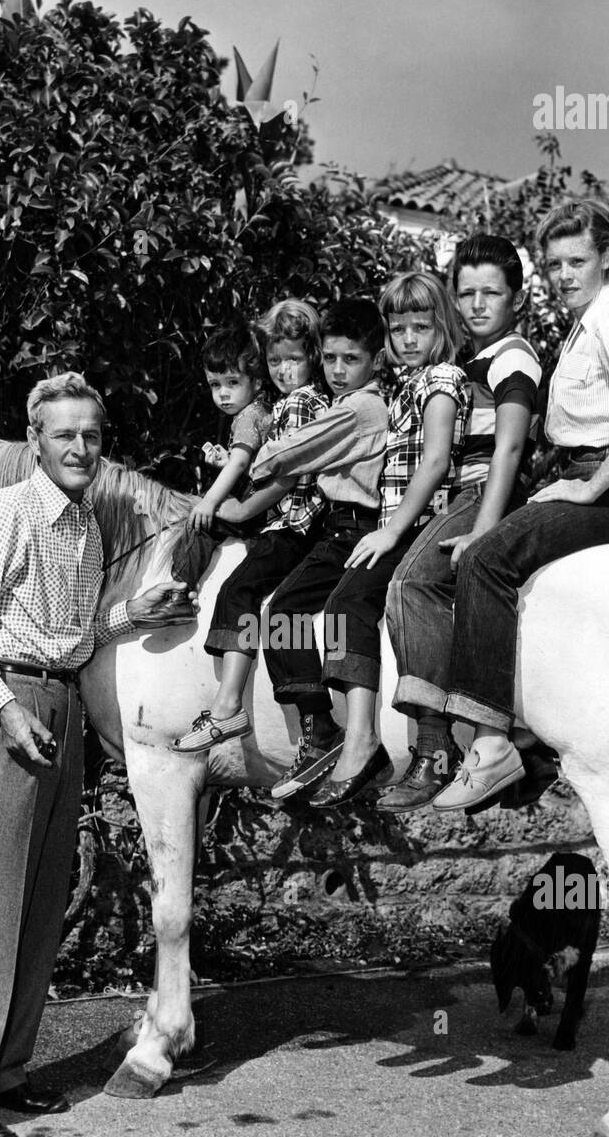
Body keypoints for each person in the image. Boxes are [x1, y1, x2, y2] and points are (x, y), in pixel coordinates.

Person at [0, 372, 195, 1137]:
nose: (79, 447)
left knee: (38, 906)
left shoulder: (82, 526)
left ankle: (4, 1073)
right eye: (64, 434)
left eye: (92, 436)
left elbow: (67, 632)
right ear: (34, 440)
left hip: (58, 705)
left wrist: (123, 616)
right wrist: (5, 711)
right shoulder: (8, 512)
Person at [432, 199, 609, 812]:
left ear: (607, 258)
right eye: (553, 264)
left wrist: (593, 487)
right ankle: (533, 739)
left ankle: (489, 746)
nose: (564, 274)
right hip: (586, 472)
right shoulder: (581, 324)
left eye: (578, 261)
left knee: (485, 559)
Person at [378, 236, 542, 810]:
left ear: (515, 298)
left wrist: (485, 528)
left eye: (490, 293)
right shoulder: (466, 360)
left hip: (484, 491)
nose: (477, 304)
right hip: (464, 492)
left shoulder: (512, 356)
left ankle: (433, 745)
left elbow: (510, 447)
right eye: (466, 292)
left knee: (412, 581)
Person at [305, 271, 473, 808]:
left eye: (420, 326)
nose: (407, 339)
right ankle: (351, 732)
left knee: (354, 599)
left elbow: (437, 459)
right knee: (337, 601)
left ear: (441, 326)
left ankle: (369, 739)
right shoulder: (400, 386)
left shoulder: (441, 378)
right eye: (397, 328)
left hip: (421, 520)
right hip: (395, 518)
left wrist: (393, 529)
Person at [245, 298, 390, 800]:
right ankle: (317, 729)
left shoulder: (358, 407)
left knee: (284, 608)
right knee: (287, 605)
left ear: (375, 358)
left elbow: (292, 451)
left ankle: (321, 728)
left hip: (351, 527)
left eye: (350, 359)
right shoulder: (350, 403)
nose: (337, 370)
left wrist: (256, 460)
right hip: (337, 523)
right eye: (329, 359)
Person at [173, 299, 329, 751]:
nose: (283, 369)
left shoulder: (298, 404)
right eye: (275, 360)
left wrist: (226, 505)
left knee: (239, 591)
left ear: (312, 358)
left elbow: (288, 474)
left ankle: (227, 708)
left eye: (293, 359)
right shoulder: (286, 404)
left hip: (293, 524)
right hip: (292, 522)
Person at [171, 322, 274, 588]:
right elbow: (249, 461)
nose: (223, 393)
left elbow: (241, 462)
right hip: (263, 505)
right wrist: (225, 460)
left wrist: (209, 502)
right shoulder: (261, 410)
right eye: (215, 385)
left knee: (197, 526)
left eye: (232, 382)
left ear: (257, 380)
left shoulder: (247, 416)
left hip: (250, 508)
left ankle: (179, 588)